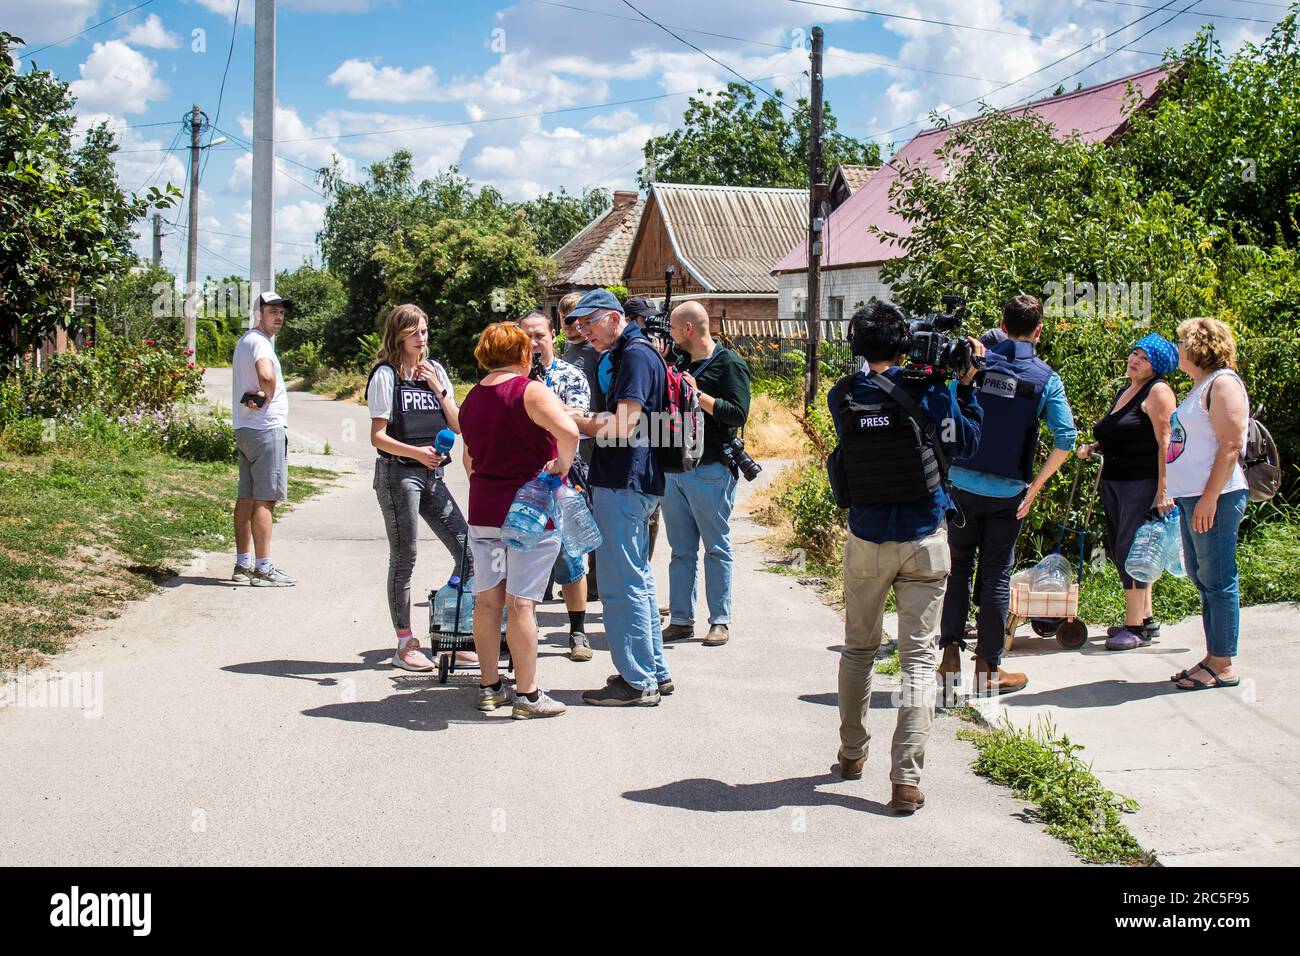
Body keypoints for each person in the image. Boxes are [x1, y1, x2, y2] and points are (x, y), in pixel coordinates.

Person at [828, 301, 983, 815]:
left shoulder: (842, 395)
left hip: (868, 540)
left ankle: (852, 755)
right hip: (923, 538)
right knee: (918, 659)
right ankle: (906, 782)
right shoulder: (931, 390)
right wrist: (966, 384)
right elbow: (966, 444)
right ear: (903, 343)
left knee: (858, 650)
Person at [937, 293, 1077, 699]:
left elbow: (947, 405)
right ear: (1038, 330)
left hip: (961, 484)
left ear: (1002, 322)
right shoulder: (1045, 379)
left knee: (958, 569)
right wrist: (1035, 487)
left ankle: (949, 659)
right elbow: (1066, 437)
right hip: (1009, 493)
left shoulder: (975, 365)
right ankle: (987, 670)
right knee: (997, 575)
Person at [458, 323, 580, 719]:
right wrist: (560, 467)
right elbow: (569, 430)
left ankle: (489, 685)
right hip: (528, 512)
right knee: (522, 603)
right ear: (524, 354)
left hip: (484, 512)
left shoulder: (473, 398)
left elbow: (469, 460)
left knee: (488, 600)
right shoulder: (530, 390)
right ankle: (527, 695)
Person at [568, 289, 672, 706]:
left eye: (589, 322)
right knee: (638, 580)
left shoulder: (634, 355)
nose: (583, 331)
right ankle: (653, 673)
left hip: (624, 481)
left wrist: (574, 421)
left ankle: (638, 681)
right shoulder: (641, 352)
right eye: (579, 324)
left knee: (619, 584)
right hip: (636, 480)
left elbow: (625, 425)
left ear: (614, 317)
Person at [366, 304, 474, 673]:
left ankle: (452, 633)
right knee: (405, 557)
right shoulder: (385, 375)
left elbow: (459, 427)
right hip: (399, 475)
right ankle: (405, 642)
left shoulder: (436, 371)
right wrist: (417, 452)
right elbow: (378, 437)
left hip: (433, 475)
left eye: (424, 330)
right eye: (413, 332)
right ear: (397, 335)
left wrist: (437, 388)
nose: (421, 338)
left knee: (467, 550)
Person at [1076, 333, 1178, 650]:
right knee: (1127, 547)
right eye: (1135, 353)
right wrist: (1095, 446)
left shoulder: (1158, 391)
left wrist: (1164, 490)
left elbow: (1166, 444)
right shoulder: (1127, 389)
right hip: (1115, 482)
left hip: (1141, 483)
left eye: (1144, 358)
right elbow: (1120, 433)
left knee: (1130, 551)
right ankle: (1145, 619)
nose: (1135, 360)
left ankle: (1133, 627)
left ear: (1157, 366)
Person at [660, 301, 751, 647]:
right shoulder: (678, 363)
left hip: (711, 468)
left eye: (672, 327)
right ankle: (681, 619)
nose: (669, 334)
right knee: (681, 549)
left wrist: (697, 395)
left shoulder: (729, 364)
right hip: (676, 469)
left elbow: (737, 413)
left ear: (688, 329)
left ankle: (720, 620)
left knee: (716, 546)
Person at [1166, 317, 1250, 691]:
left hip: (1215, 496)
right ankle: (1213, 654)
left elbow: (1231, 445)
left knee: (1218, 579)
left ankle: (1223, 663)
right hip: (1193, 497)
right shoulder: (1200, 386)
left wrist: (1210, 498)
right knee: (1203, 579)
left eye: (1182, 342)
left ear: (1198, 346)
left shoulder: (1224, 384)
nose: (1178, 348)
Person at [518, 309, 594, 662]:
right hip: (522, 475)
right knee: (519, 554)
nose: (533, 343)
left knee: (570, 555)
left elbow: (575, 420)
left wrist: (543, 404)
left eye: (540, 335)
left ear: (553, 335)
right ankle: (518, 632)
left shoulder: (570, 374)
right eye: (526, 336)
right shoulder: (510, 377)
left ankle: (577, 630)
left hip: (563, 473)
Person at [232, 290, 295, 587]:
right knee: (265, 500)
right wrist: (267, 397)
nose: (278, 316)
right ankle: (263, 568)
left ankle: (242, 564)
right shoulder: (261, 345)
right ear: (260, 313)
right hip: (266, 430)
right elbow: (266, 376)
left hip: (245, 429)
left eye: (281, 312)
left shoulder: (245, 341)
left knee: (245, 497)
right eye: (273, 311)